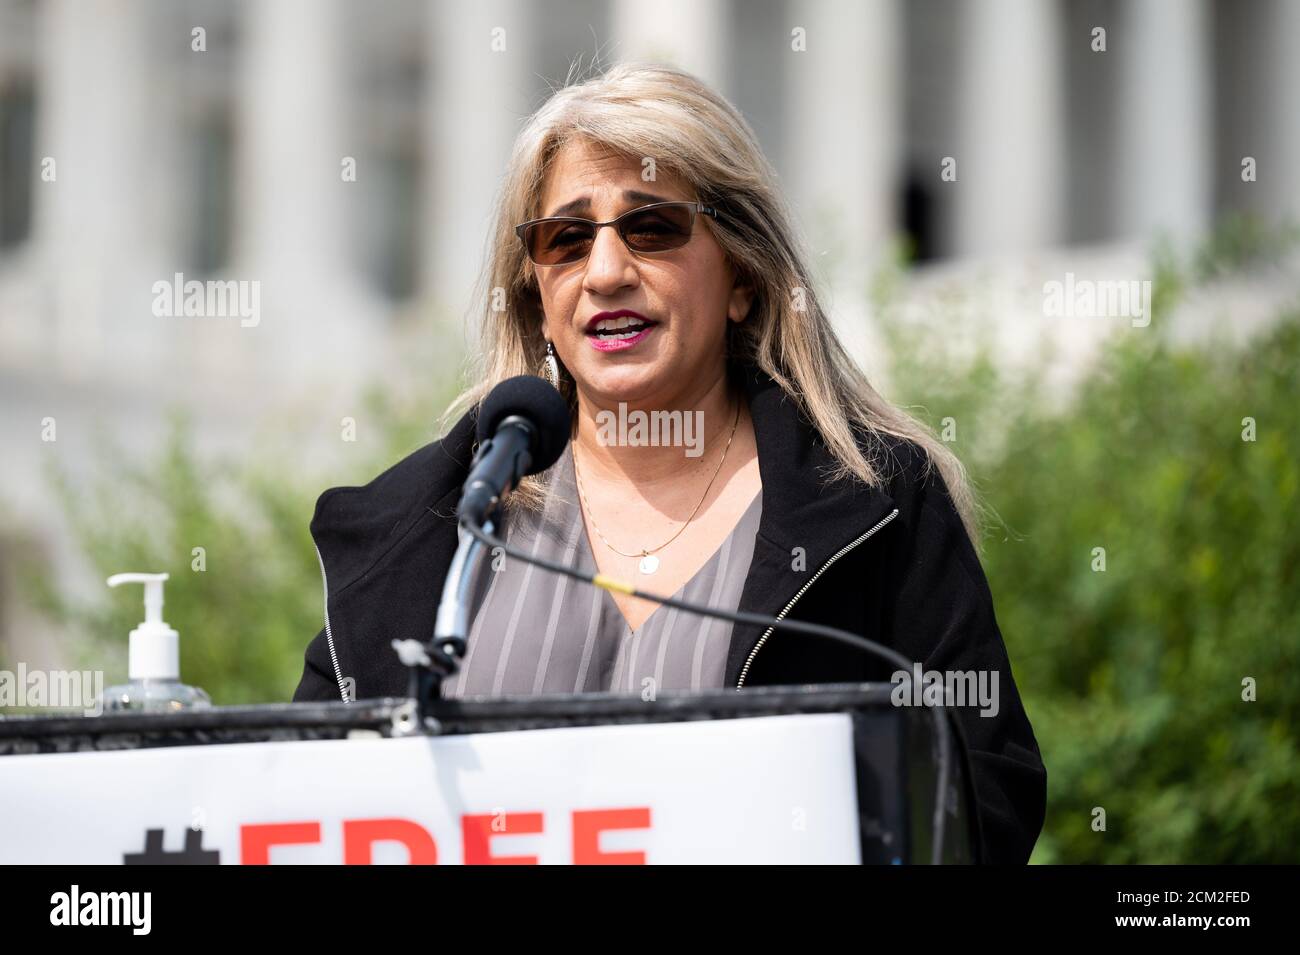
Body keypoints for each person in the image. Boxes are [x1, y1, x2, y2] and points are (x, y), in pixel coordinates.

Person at [293, 62, 1046, 864]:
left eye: (653, 227)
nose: (607, 271)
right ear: (536, 291)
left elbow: (983, 796)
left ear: (743, 280)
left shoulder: (876, 503)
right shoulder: (428, 524)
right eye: (567, 238)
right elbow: (302, 800)